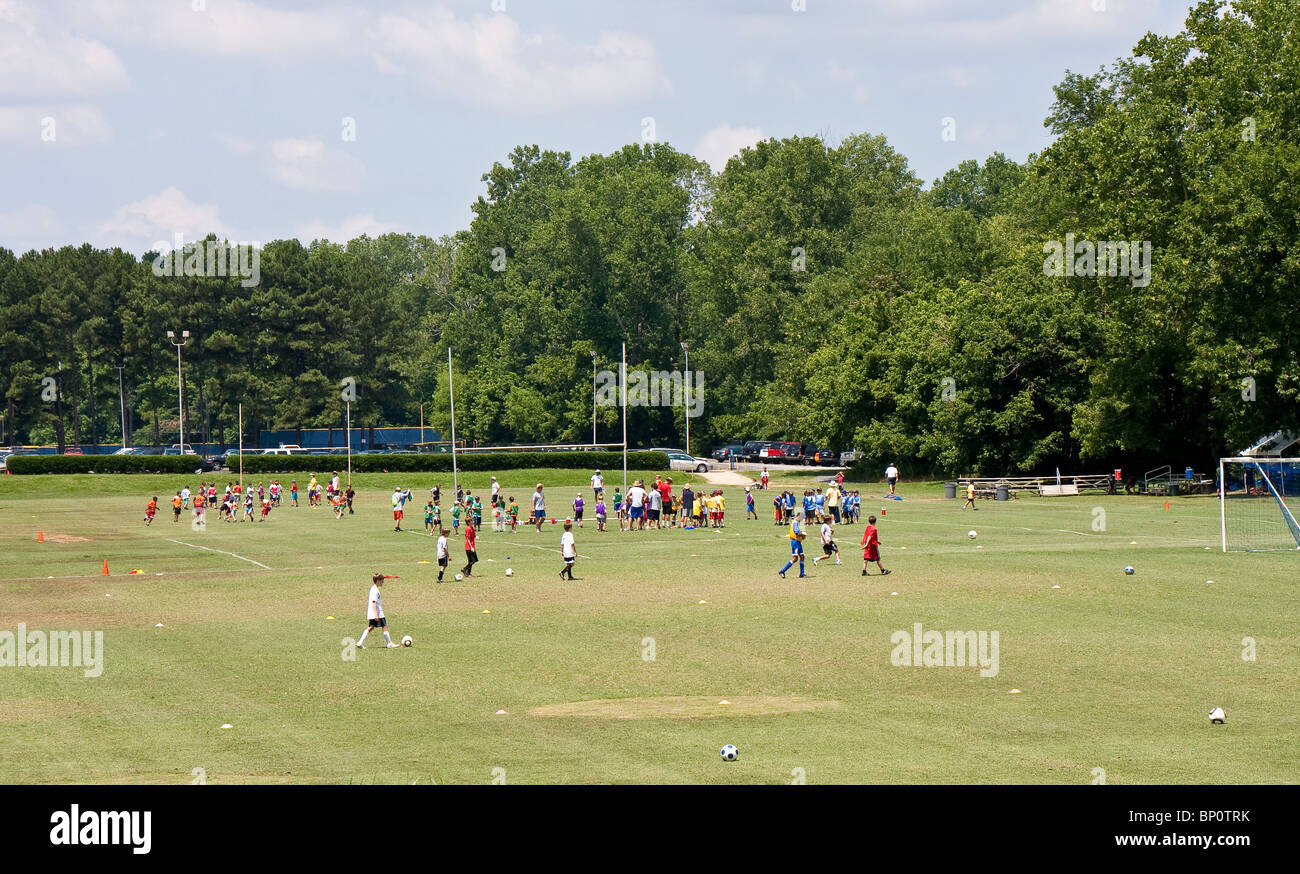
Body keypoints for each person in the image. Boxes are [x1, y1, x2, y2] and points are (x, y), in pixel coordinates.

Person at [356, 573, 399, 649]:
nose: (383, 582)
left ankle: (360, 642)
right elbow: (374, 602)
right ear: (378, 581)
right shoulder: (375, 590)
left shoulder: (373, 588)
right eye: (382, 580)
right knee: (384, 626)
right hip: (377, 613)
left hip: (373, 612)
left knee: (371, 627)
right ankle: (389, 643)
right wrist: (376, 614)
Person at [779, 513, 807, 578]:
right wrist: (803, 534)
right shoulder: (795, 523)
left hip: (797, 542)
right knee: (795, 558)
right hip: (795, 542)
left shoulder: (795, 523)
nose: (801, 520)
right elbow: (796, 532)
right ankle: (782, 571)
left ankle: (802, 574)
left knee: (802, 556)